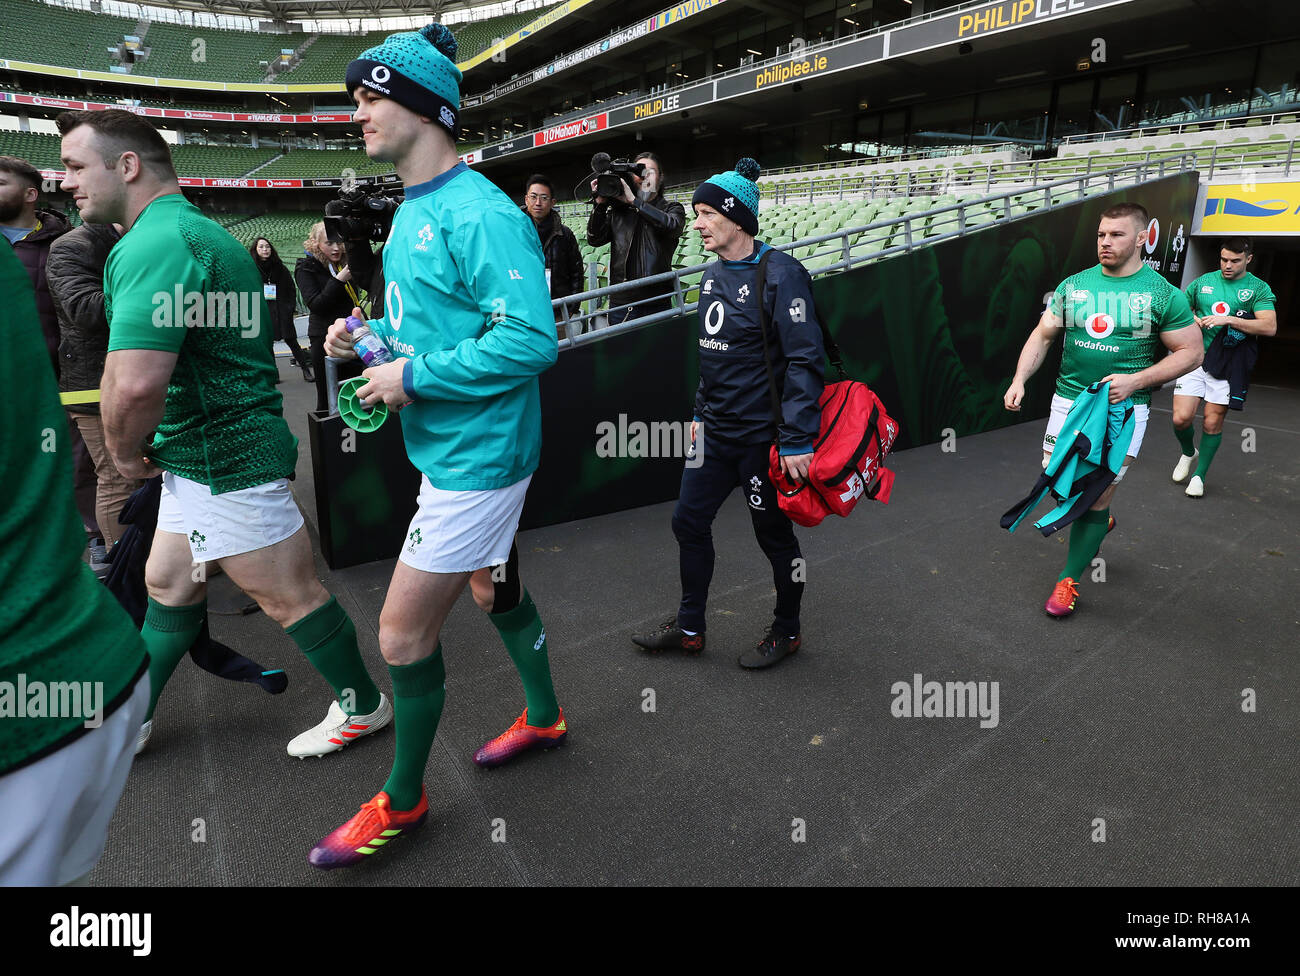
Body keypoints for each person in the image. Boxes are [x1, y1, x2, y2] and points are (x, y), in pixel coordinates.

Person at [57, 108, 391, 758]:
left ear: (126, 165)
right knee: (169, 584)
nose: (65, 180)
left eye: (74, 166)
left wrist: (124, 456)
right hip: (204, 456)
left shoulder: (156, 242)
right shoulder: (193, 232)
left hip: (224, 459)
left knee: (289, 597)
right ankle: (135, 718)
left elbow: (134, 384)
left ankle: (362, 705)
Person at [315, 22, 565, 869]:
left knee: (399, 635)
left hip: (479, 456)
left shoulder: (483, 213)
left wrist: (411, 379)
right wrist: (371, 336)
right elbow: (434, 325)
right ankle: (544, 716)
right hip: (453, 448)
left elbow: (531, 340)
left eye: (369, 97)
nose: (359, 116)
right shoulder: (418, 208)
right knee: (494, 594)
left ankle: (406, 799)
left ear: (423, 106)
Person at [631, 158, 824, 670]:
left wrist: (799, 438)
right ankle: (690, 628)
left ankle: (789, 628)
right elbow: (711, 354)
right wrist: (698, 413)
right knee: (686, 522)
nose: (696, 223)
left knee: (774, 537)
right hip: (713, 433)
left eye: (704, 213)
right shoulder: (713, 274)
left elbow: (806, 360)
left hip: (763, 440)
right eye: (695, 213)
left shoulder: (782, 273)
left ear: (736, 218)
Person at [0, 238, 149, 886]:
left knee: (119, 484)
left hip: (41, 687)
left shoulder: (76, 248)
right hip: (74, 671)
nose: (72, 182)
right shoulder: (53, 253)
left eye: (78, 165)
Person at [1003, 202, 1202, 617]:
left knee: (1097, 492)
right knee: (1064, 483)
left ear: (1144, 238)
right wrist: (1020, 378)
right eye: (1100, 235)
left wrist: (1137, 380)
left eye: (1117, 235)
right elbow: (1042, 336)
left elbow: (1191, 352)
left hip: (1125, 409)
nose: (1105, 242)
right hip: (1069, 403)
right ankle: (1098, 522)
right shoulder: (1074, 285)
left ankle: (1068, 579)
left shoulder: (1163, 294)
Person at [0, 155, 101, 565]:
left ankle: (95, 536)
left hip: (62, 377)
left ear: (29, 193)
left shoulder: (70, 242)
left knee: (78, 462)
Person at [47, 220, 141, 556]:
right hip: (92, 385)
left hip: (145, 377)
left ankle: (164, 561)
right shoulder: (71, 246)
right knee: (118, 477)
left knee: (156, 471)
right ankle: (123, 564)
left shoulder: (144, 236)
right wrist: (156, 288)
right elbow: (85, 310)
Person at [1170, 237, 1277, 497]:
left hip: (1228, 363)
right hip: (1195, 358)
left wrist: (1229, 319)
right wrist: (1193, 319)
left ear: (1248, 259)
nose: (1227, 265)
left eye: (1235, 261)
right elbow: (1183, 309)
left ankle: (1199, 476)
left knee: (1211, 422)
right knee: (1181, 418)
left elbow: (1268, 326)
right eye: (1224, 259)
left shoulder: (1258, 288)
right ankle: (1188, 452)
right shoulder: (1204, 282)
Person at [586, 151, 684, 324]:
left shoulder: (671, 207)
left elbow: (672, 227)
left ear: (660, 178)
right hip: (621, 302)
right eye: (639, 171)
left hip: (657, 301)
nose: (644, 176)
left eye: (651, 172)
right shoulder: (619, 210)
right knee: (622, 351)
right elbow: (595, 239)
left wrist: (635, 202)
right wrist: (599, 206)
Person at [295, 223, 363, 411]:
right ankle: (328, 439)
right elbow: (316, 304)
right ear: (316, 243)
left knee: (355, 393)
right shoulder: (306, 266)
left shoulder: (343, 262)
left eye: (339, 242)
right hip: (324, 338)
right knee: (328, 398)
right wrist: (339, 279)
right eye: (329, 243)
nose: (336, 248)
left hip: (351, 333)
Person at [522, 174, 583, 337]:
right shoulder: (515, 232)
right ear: (526, 199)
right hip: (525, 313)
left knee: (562, 357)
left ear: (553, 203)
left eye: (544, 198)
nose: (538, 203)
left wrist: (572, 308)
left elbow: (576, 273)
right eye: (533, 197)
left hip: (558, 312)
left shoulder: (565, 234)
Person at [251, 237, 312, 383]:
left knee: (292, 340)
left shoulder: (279, 267)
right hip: (264, 310)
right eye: (261, 247)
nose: (265, 249)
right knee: (268, 343)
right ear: (256, 250)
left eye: (267, 247)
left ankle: (305, 369)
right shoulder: (252, 269)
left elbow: (290, 288)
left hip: (281, 309)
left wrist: (288, 307)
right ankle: (275, 373)